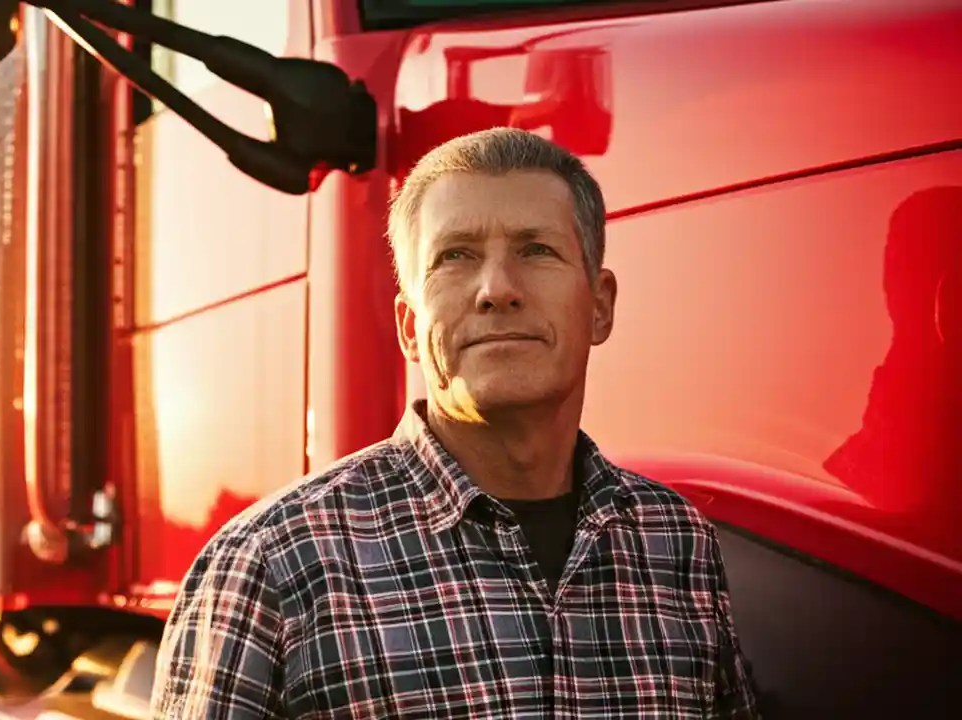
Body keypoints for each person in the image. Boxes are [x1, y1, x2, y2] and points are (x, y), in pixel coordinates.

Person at [150, 128, 759, 718]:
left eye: (536, 250)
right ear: (410, 327)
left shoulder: (675, 542)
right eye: (456, 257)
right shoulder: (272, 564)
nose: (497, 289)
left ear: (600, 305)